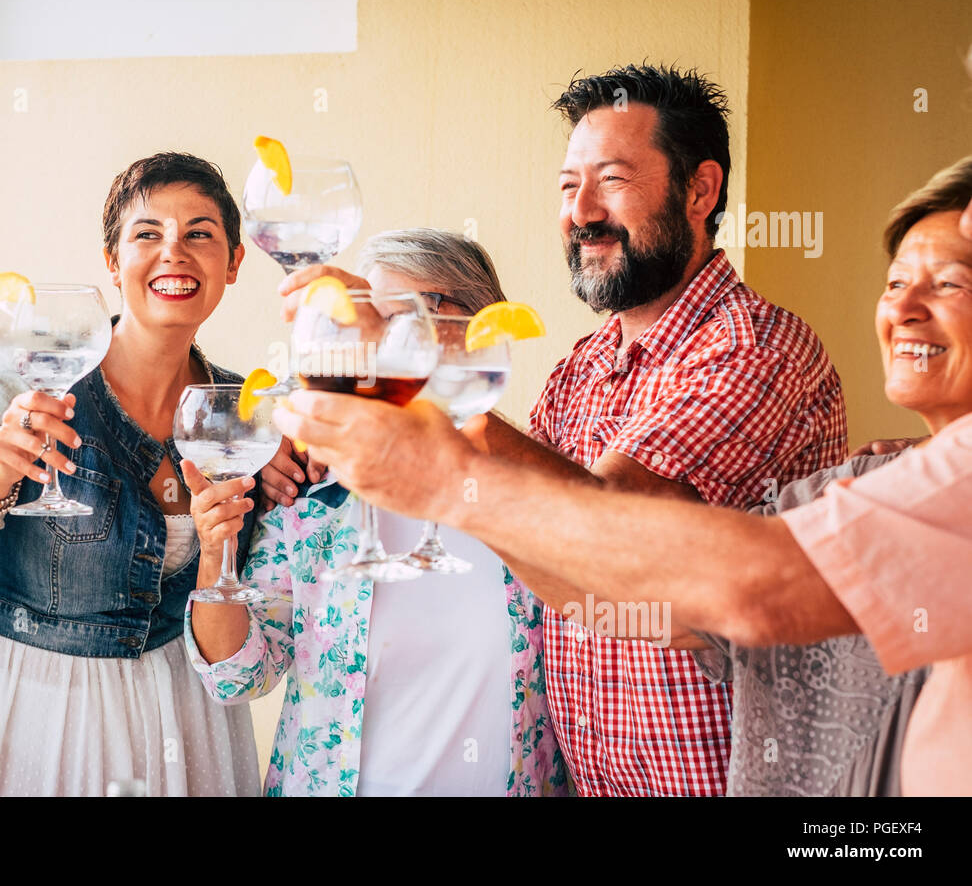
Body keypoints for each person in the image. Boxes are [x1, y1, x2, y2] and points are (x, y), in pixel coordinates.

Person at [271, 155, 972, 797]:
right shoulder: (861, 482)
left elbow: (746, 586)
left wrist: (445, 467)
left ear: (700, 190)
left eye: (951, 283)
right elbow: (621, 585)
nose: (906, 308)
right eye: (895, 283)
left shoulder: (758, 347)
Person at [0, 152, 261, 796]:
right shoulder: (21, 375)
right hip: (27, 711)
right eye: (147, 234)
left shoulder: (246, 412)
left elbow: (247, 625)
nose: (175, 252)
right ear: (112, 261)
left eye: (200, 233)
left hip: (183, 719)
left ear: (233, 262)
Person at [182, 229, 571, 796]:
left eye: (411, 319)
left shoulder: (534, 485)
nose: (381, 347)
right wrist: (216, 546)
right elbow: (239, 674)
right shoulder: (312, 495)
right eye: (370, 323)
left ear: (481, 328)